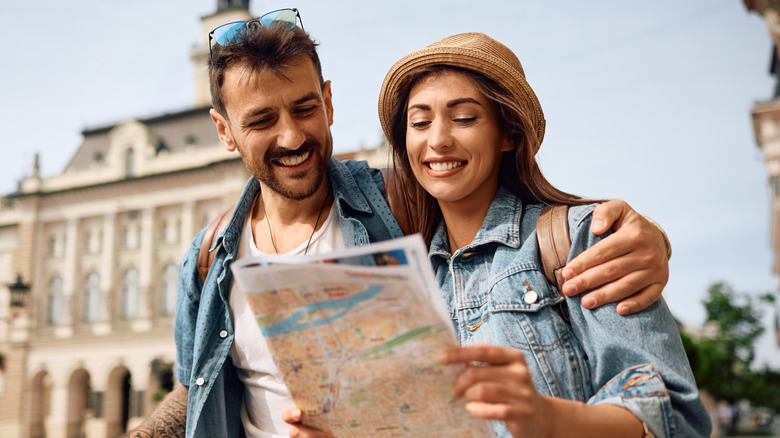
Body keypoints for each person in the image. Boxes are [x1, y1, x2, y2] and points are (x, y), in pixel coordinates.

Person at [123, 11, 673, 438]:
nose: (291, 137)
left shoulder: (400, 201)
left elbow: (495, 213)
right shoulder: (209, 254)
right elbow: (195, 384)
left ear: (329, 102)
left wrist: (646, 237)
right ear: (224, 131)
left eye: (304, 108)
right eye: (262, 120)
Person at [370, 32, 706, 437]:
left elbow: (675, 418)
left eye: (464, 118)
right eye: (419, 122)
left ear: (508, 135)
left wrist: (547, 419)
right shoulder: (410, 282)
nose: (437, 139)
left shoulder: (581, 239)